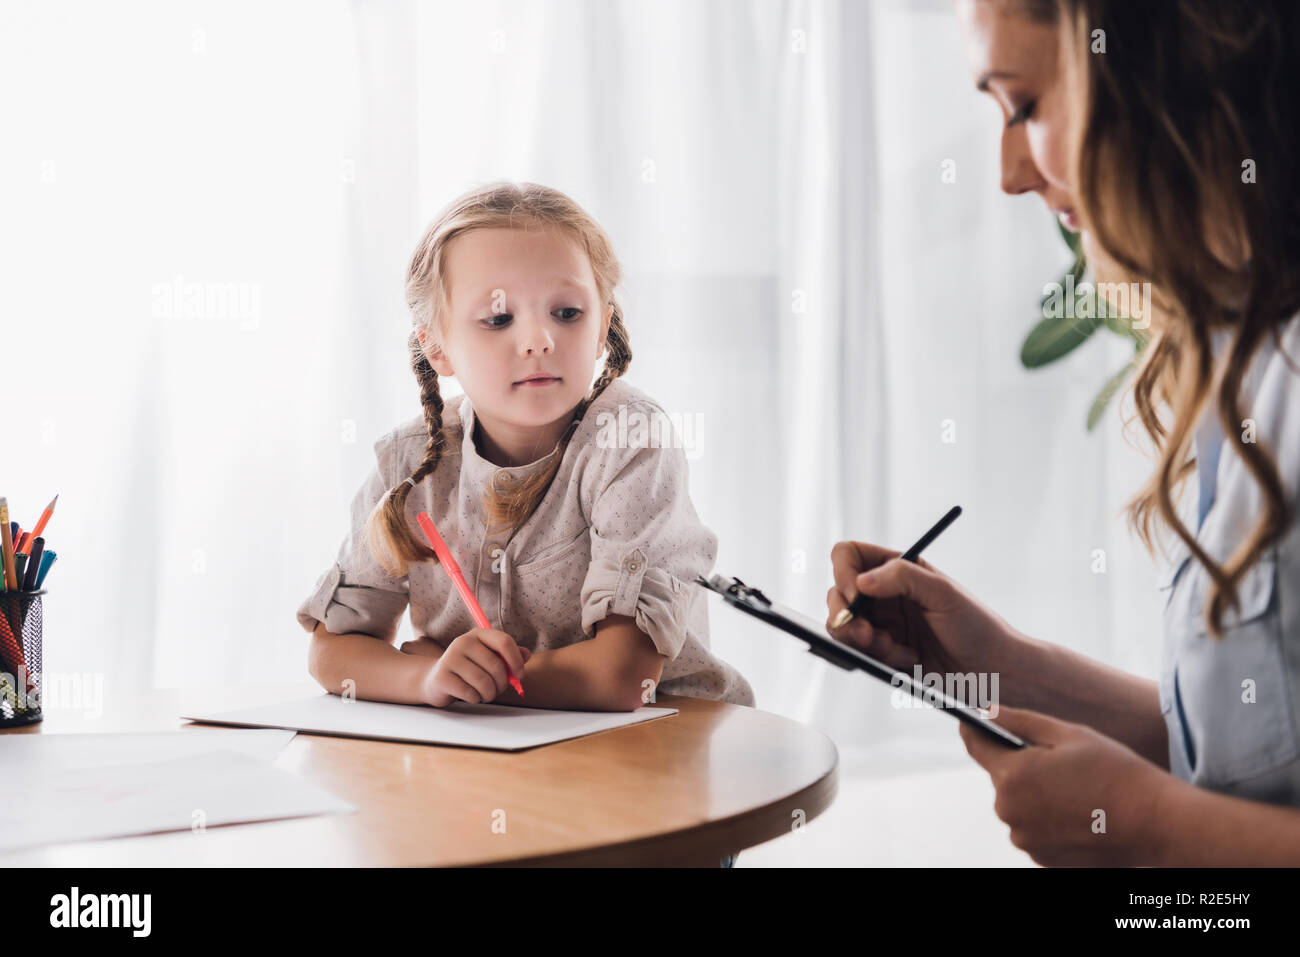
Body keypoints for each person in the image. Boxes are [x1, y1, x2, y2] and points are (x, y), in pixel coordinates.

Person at [827, 0, 1300, 865]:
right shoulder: (1239, 351)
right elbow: (1249, 757)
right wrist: (1006, 662)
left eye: (1025, 106)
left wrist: (1156, 832)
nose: (1011, 174)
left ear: (1167, 74)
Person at [298, 181, 754, 713]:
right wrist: (427, 680)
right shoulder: (410, 461)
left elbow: (621, 677)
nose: (539, 339)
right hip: (504, 753)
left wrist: (472, 678)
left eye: (566, 313)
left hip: (663, 742)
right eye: (498, 319)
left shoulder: (629, 440)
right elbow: (332, 653)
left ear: (604, 324)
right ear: (436, 346)